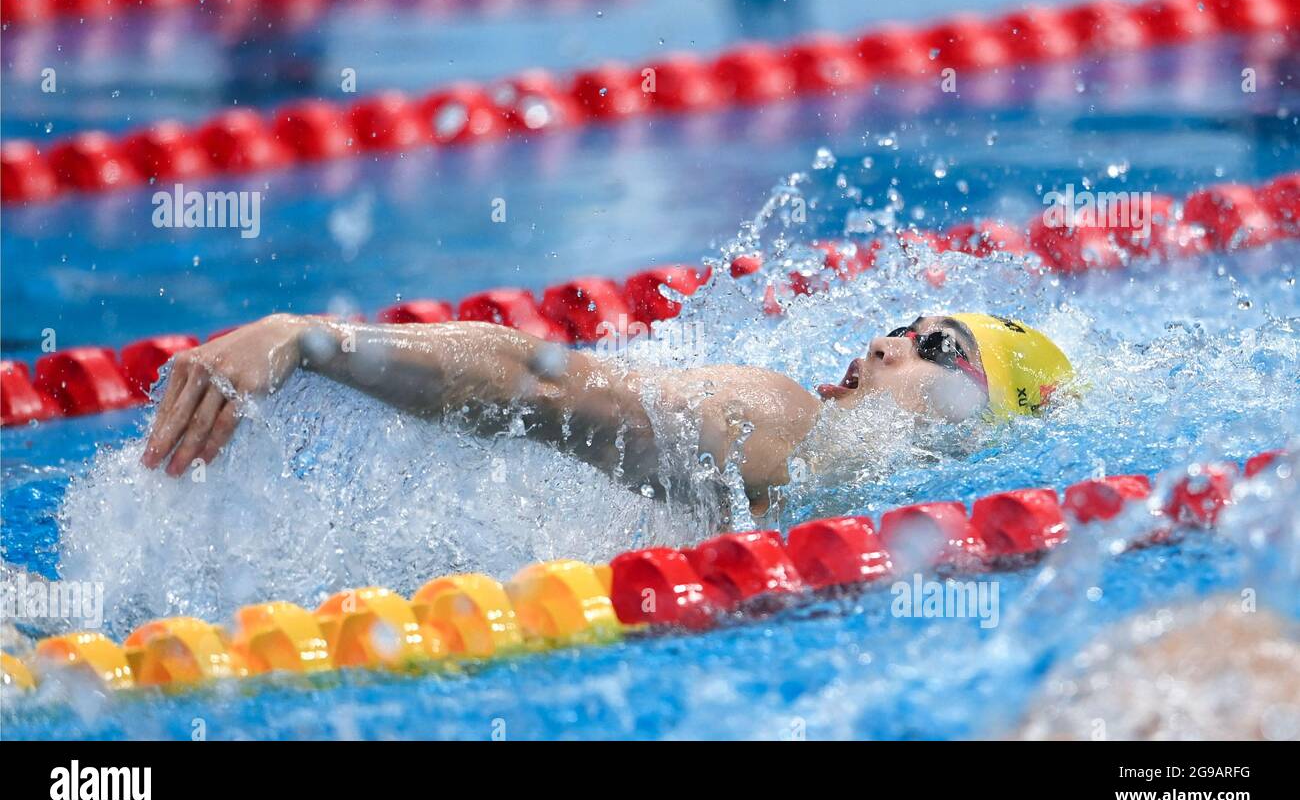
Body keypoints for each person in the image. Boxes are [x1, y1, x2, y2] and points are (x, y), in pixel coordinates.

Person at [140, 311, 1072, 516]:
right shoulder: (787, 424)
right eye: (898, 328)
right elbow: (545, 384)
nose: (883, 345)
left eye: (938, 347)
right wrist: (309, 340)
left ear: (990, 414)